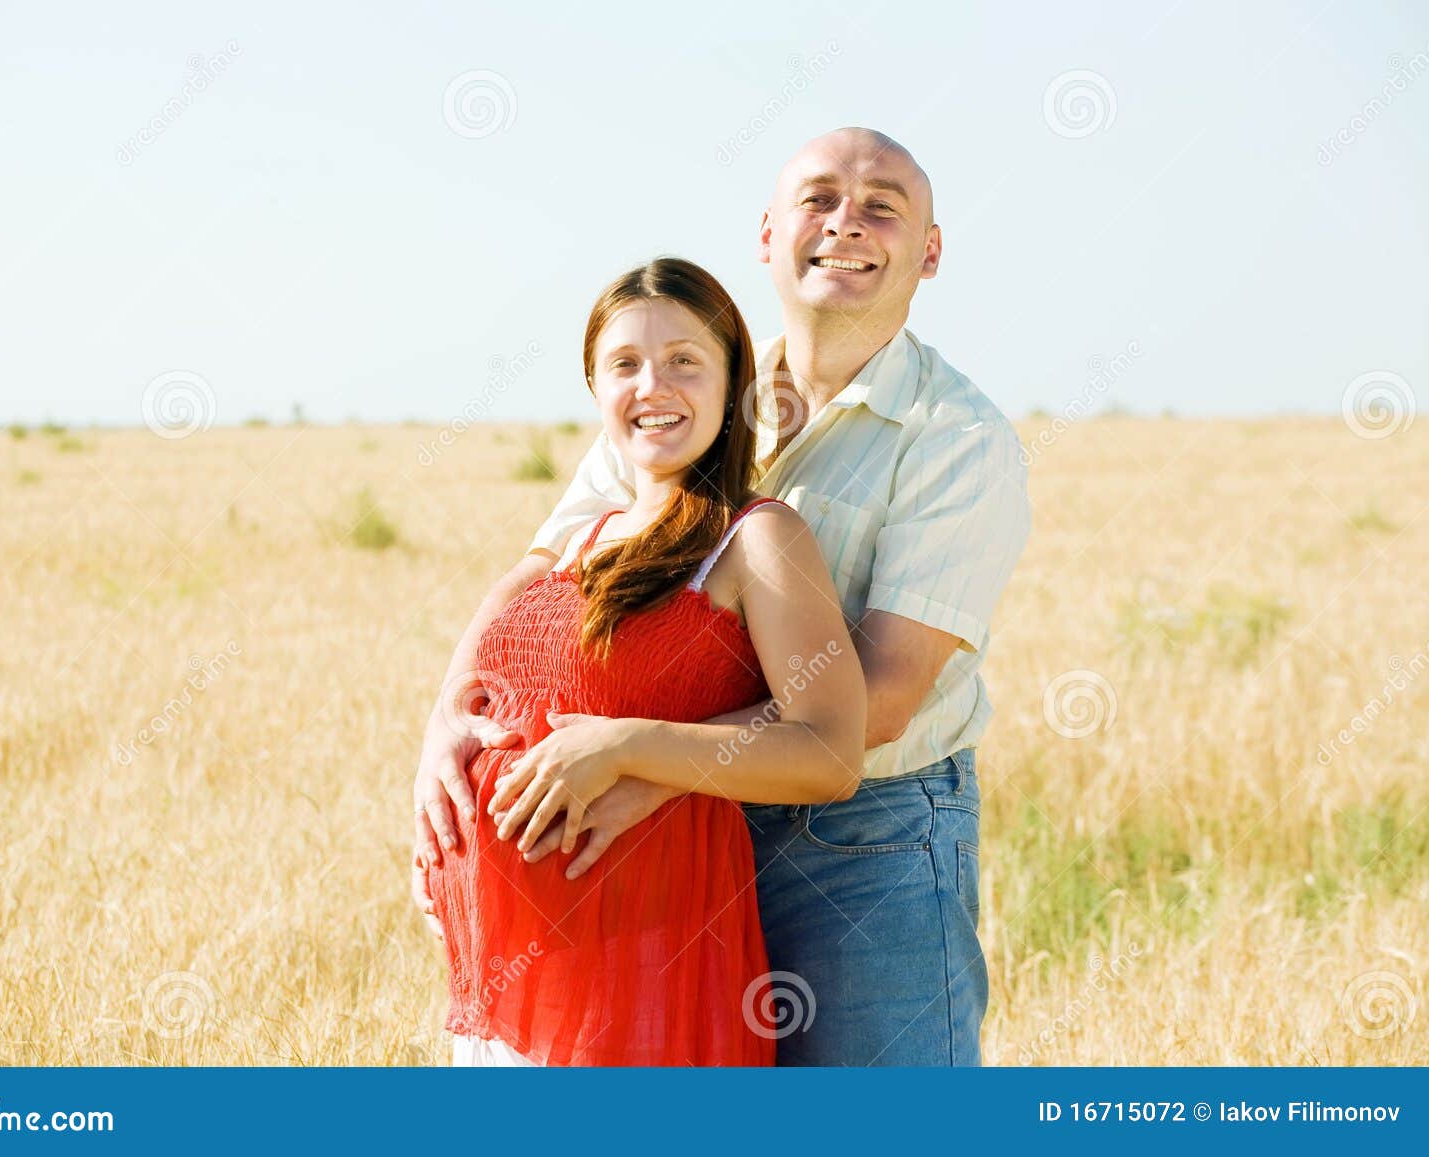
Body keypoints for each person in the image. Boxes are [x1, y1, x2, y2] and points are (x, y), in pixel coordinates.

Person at [415, 126, 1032, 1065]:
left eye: (881, 208)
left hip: (868, 836)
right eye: (818, 199)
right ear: (769, 234)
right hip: (690, 835)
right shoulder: (690, 380)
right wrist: (445, 730)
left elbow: (876, 700)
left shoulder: (958, 438)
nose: (845, 224)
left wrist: (648, 761)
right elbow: (539, 574)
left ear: (930, 251)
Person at [420, 256, 865, 1066]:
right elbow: (486, 690)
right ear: (595, 388)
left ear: (734, 384)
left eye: (684, 361)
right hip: (521, 988)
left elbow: (831, 750)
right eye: (625, 363)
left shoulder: (756, 538)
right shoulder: (582, 538)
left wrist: (626, 744)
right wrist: (442, 775)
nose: (652, 386)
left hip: (649, 969)